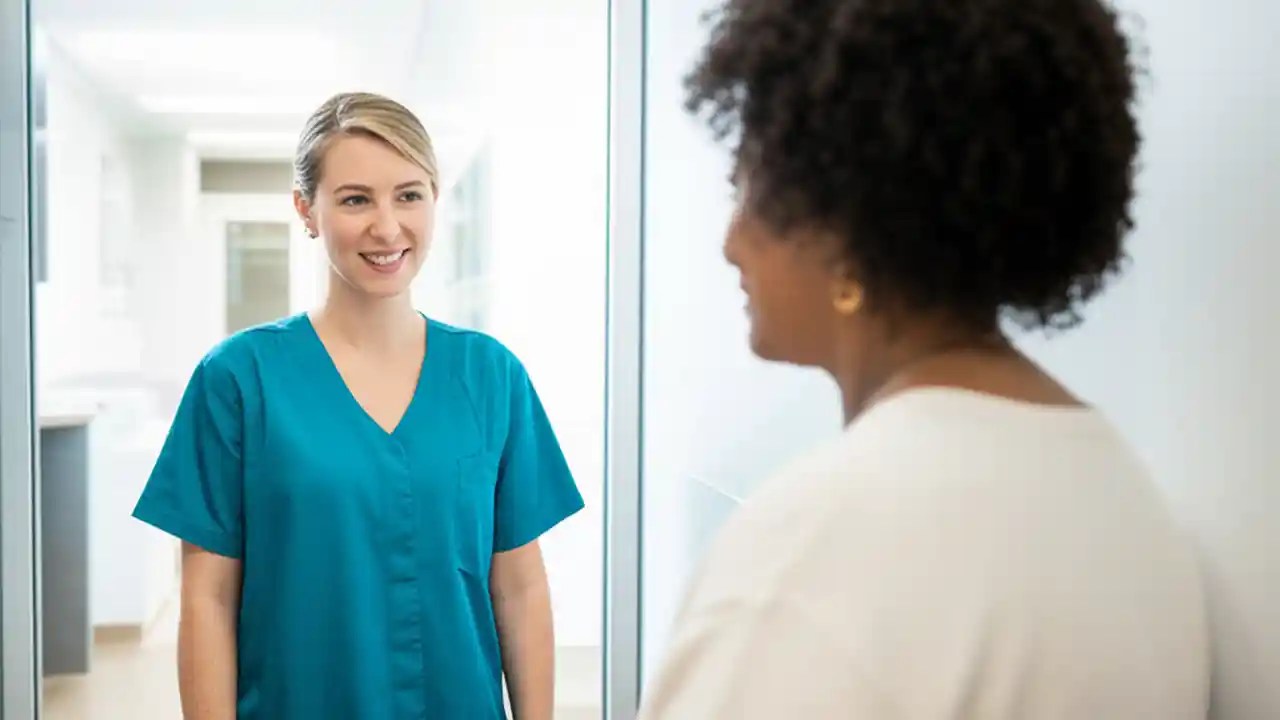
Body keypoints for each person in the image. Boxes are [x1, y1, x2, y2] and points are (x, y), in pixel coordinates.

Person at [638, 1, 1209, 718]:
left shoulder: (816, 547)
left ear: (844, 220)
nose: (731, 240)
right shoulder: (1127, 505)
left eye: (747, 187)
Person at [132, 92, 583, 720]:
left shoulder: (490, 375)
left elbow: (519, 585)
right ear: (306, 210)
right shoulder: (237, 379)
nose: (387, 226)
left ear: (433, 198)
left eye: (408, 194)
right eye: (354, 199)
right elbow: (207, 599)